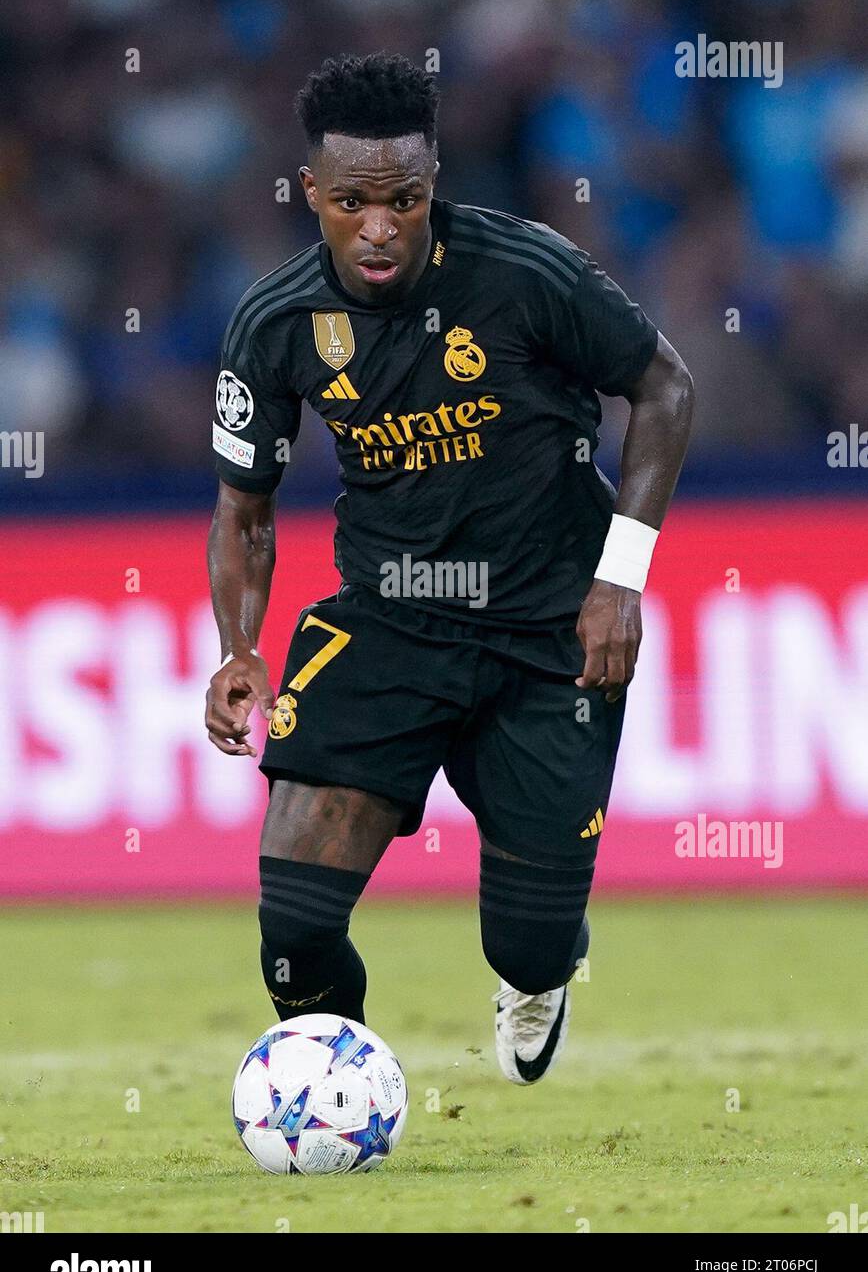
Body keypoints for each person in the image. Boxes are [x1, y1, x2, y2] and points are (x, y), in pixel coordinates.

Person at [205, 53, 694, 1084]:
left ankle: (542, 966)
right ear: (312, 196)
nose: (378, 227)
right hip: (387, 625)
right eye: (351, 203)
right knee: (291, 929)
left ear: (433, 184)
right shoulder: (276, 322)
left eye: (403, 200)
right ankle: (336, 1089)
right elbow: (244, 511)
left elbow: (664, 388)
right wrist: (240, 648)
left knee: (526, 941)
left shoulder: (526, 272)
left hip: (550, 633)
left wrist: (620, 578)